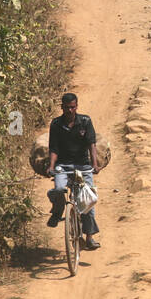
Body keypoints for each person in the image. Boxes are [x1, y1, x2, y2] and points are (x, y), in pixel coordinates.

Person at [46, 92, 101, 251]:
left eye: (73, 107)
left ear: (77, 107)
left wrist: (95, 165)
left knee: (88, 201)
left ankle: (89, 237)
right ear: (61, 107)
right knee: (57, 189)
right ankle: (57, 212)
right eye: (67, 107)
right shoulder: (56, 124)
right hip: (62, 166)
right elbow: (53, 147)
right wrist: (51, 166)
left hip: (83, 166)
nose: (70, 110)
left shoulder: (85, 121)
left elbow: (92, 144)